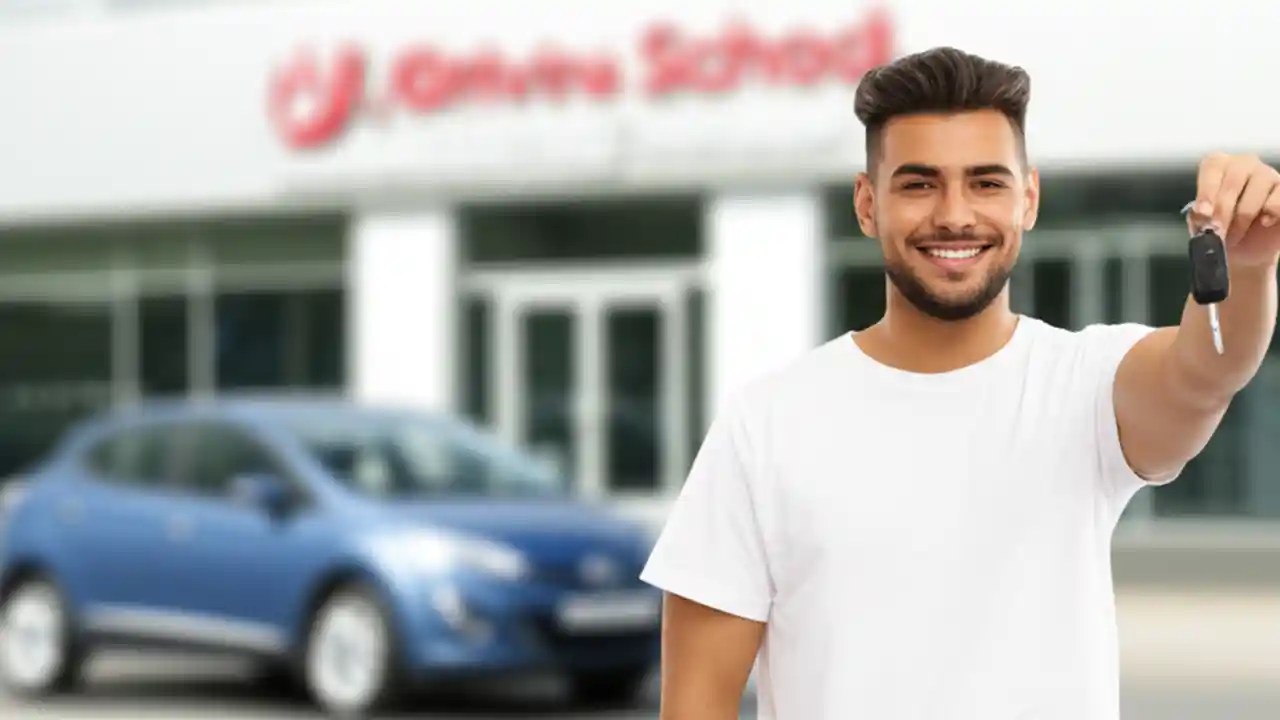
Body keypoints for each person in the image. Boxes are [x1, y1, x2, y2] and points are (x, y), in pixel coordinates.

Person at [638, 46, 1280, 719]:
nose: (954, 214)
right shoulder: (764, 425)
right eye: (918, 184)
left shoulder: (1086, 389)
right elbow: (696, 705)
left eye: (986, 182)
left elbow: (1210, 370)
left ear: (1028, 198)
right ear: (866, 203)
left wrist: (1250, 267)